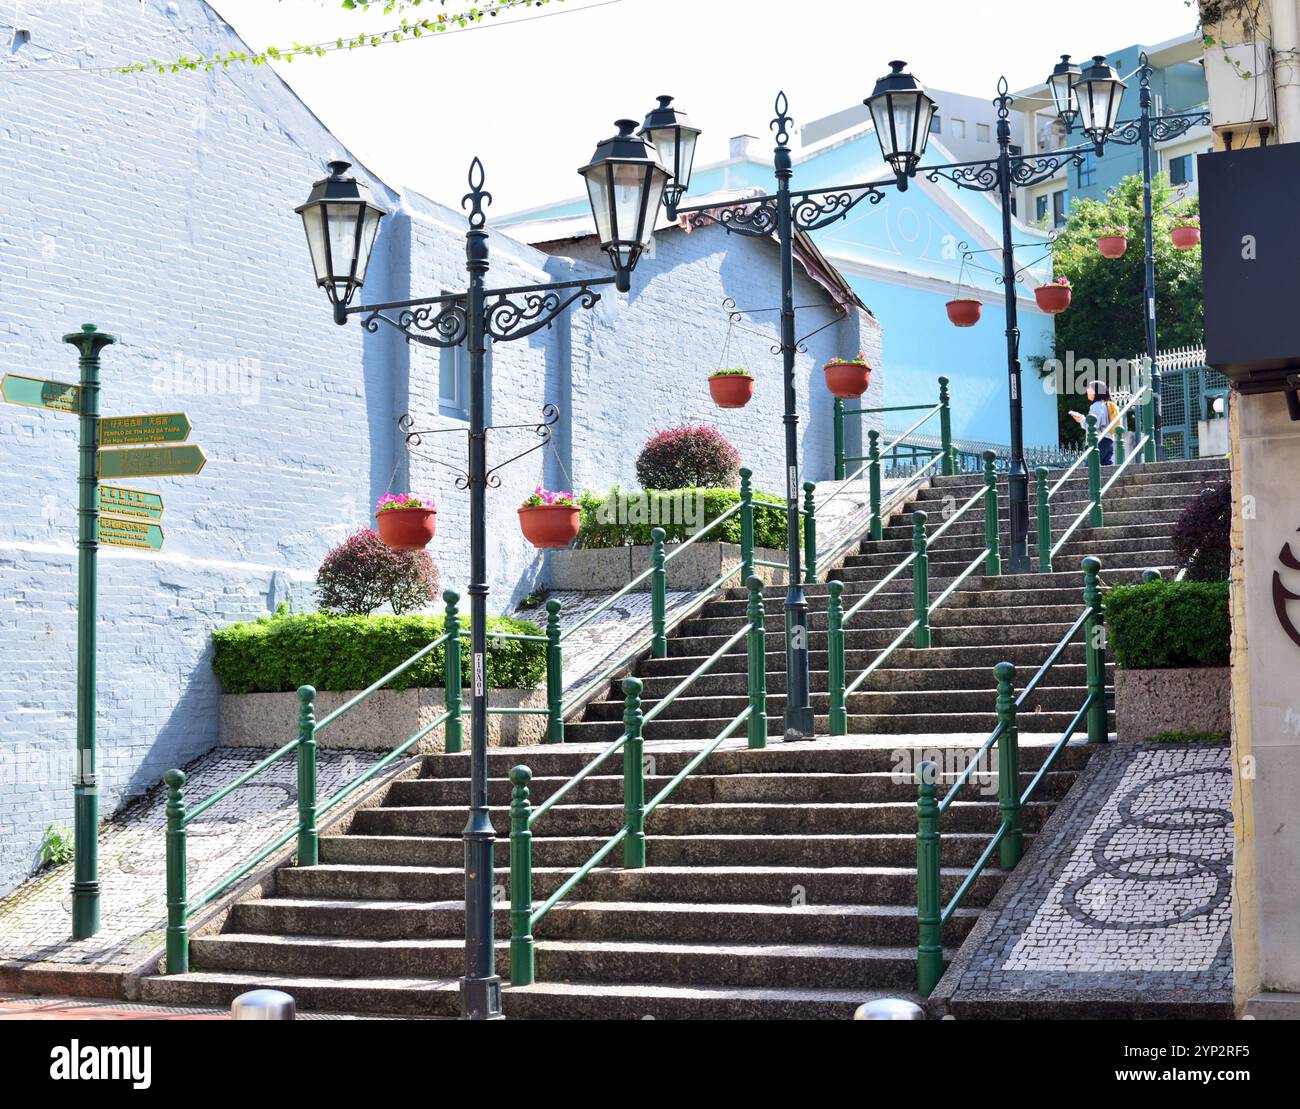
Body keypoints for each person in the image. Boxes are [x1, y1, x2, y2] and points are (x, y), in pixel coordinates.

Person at [1069, 380, 1119, 464]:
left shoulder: (1096, 406)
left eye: (1089, 388)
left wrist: (1081, 419)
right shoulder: (1105, 404)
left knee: (1090, 467)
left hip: (1099, 440)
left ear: (1095, 391)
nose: (1087, 390)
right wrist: (1083, 419)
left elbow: (1093, 425)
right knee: (1107, 468)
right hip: (1108, 439)